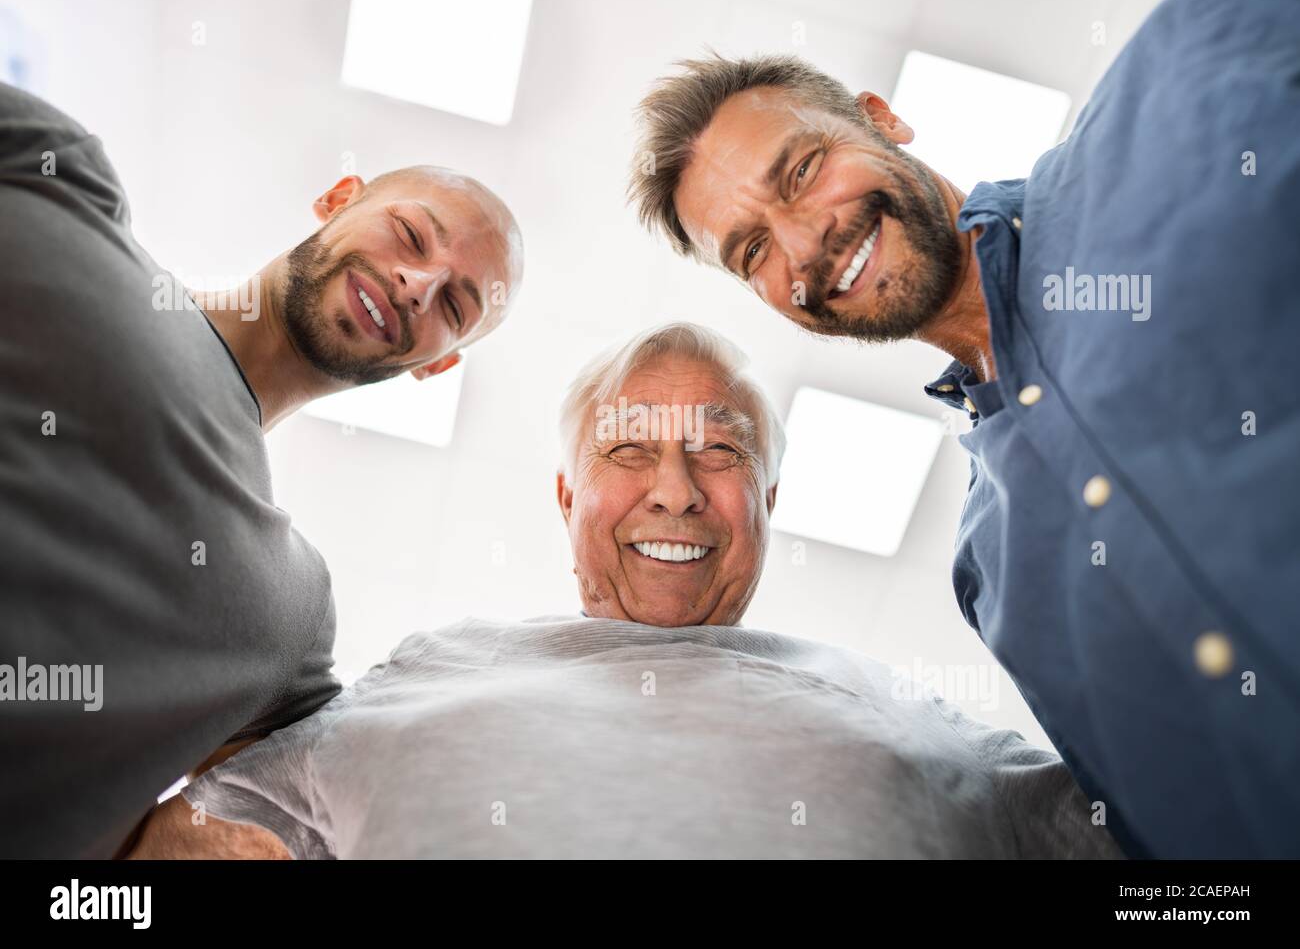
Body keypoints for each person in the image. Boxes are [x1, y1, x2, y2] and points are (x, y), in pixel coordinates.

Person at [626, 0, 1300, 856]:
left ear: (880, 120)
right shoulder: (991, 575)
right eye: (753, 250)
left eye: (800, 172)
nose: (807, 245)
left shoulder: (1182, 80)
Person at [126, 323, 1118, 859]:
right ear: (568, 495)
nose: (676, 490)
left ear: (769, 499)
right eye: (630, 448)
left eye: (718, 450)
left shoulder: (907, 703)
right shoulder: (427, 664)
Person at [0, 82, 524, 857]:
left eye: (455, 304)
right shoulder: (63, 180)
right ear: (338, 198)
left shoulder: (295, 621)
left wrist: (151, 850)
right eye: (411, 234)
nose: (419, 284)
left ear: (435, 366)